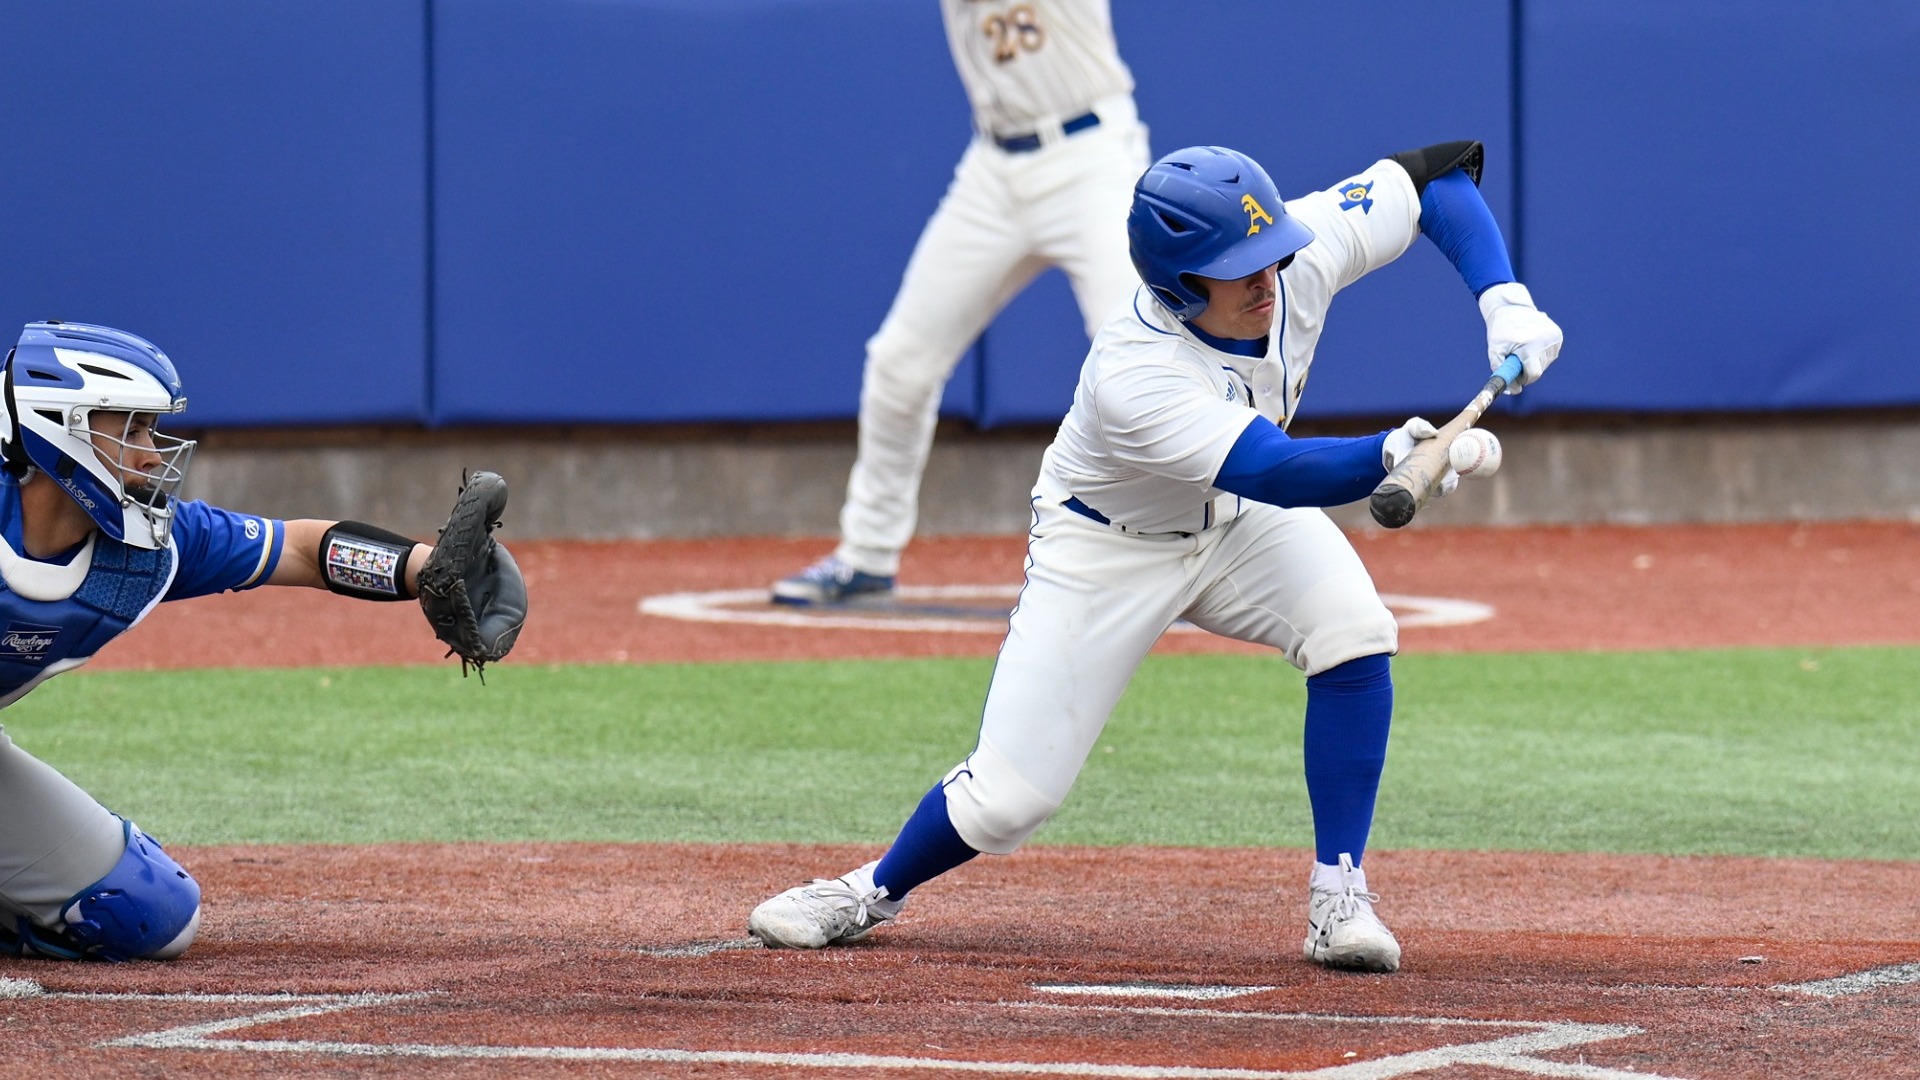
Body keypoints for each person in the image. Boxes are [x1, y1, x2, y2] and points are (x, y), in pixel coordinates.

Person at [748, 141, 1563, 972]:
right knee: (1009, 802)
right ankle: (866, 890)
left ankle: (1338, 895)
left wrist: (1505, 301)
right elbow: (1277, 473)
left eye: (1268, 255)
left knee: (1354, 630)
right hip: (1107, 548)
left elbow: (1432, 178)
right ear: (1177, 286)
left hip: (1230, 520)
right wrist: (1397, 452)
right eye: (1236, 269)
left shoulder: (1290, 260)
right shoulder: (1135, 374)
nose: (1267, 280)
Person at [0, 320, 526, 962]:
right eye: (131, 428)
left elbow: (302, 549)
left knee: (149, 915)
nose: (151, 451)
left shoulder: (147, 548)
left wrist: (424, 570)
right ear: (58, 425)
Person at [772, 0, 1151, 605]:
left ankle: (1201, 548)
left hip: (1090, 156)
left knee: (1145, 367)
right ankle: (867, 555)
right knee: (901, 362)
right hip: (994, 169)